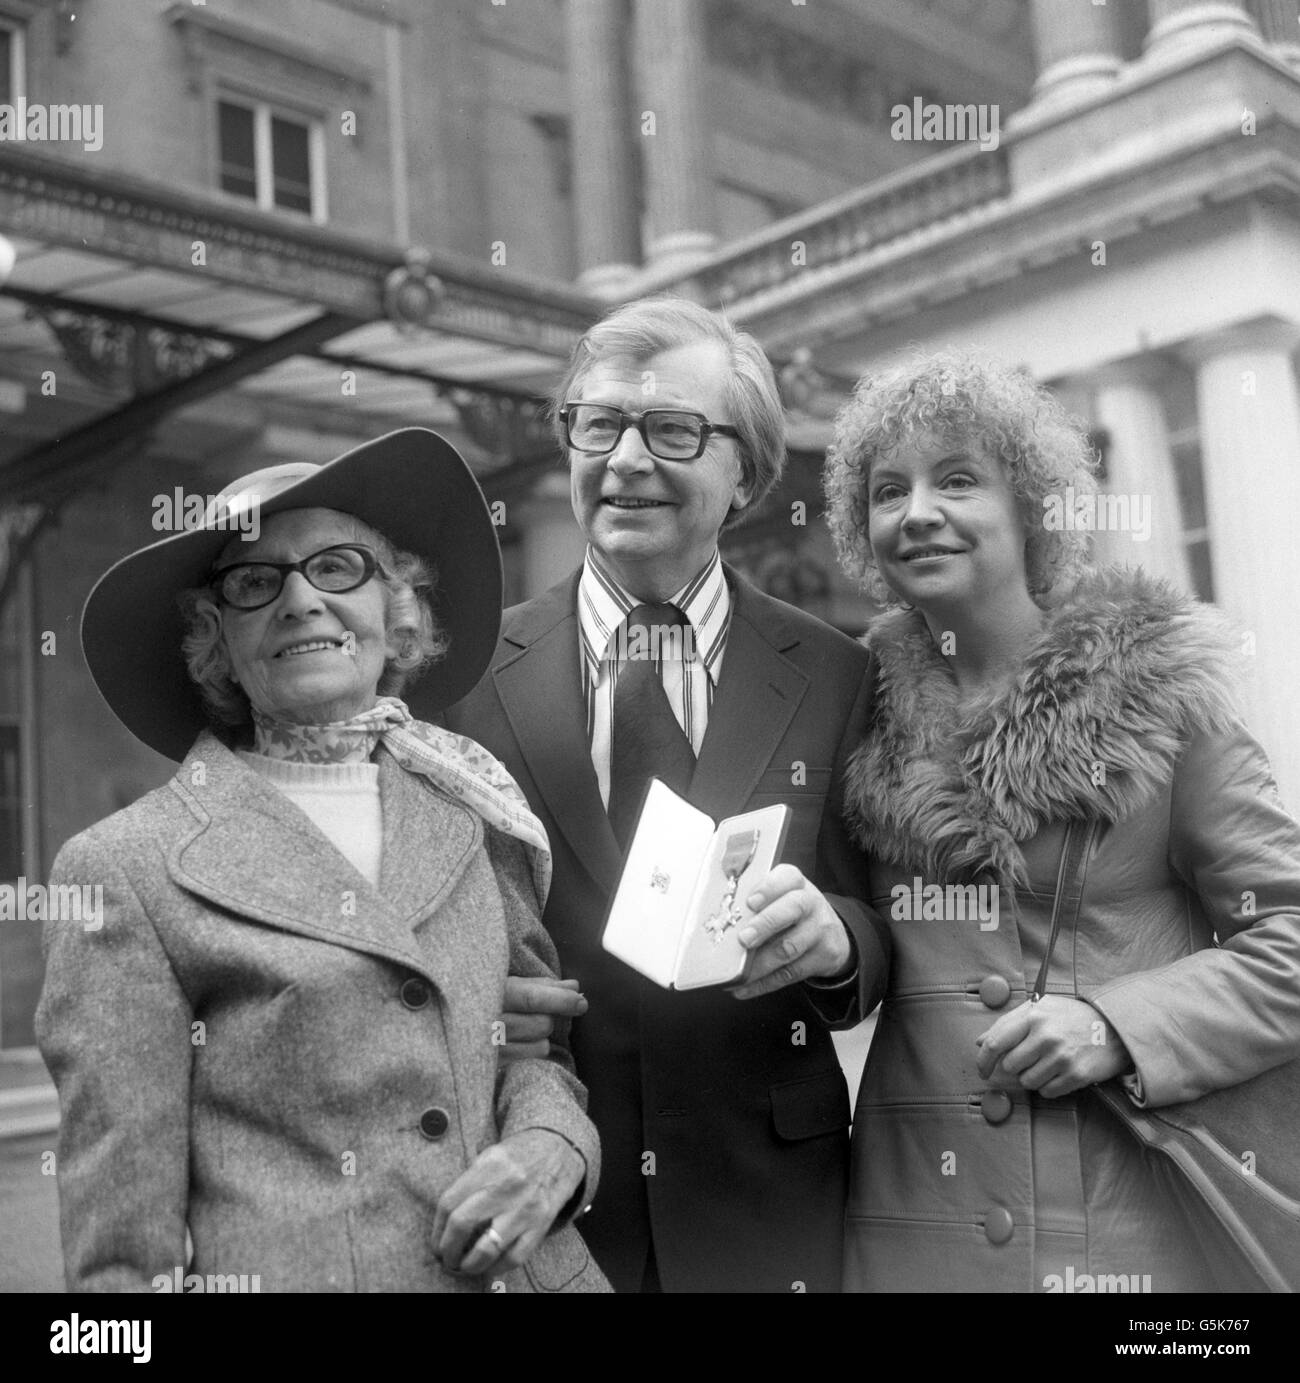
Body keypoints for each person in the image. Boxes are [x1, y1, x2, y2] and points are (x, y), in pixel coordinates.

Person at [36, 428, 609, 1293]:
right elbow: (121, 1258)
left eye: (338, 567)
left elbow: (534, 1052)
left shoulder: (473, 807)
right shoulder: (126, 867)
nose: (302, 600)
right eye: (255, 582)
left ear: (397, 612)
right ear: (216, 639)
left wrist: (551, 1146)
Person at [820, 348, 1300, 1292]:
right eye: (887, 491)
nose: (916, 512)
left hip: (1132, 1235)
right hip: (914, 1234)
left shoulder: (1162, 698)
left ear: (1032, 507)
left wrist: (1117, 1023)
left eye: (957, 479)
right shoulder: (846, 712)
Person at [444, 296, 880, 1293]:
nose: (626, 458)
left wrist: (837, 941)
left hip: (770, 1211)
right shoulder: (464, 678)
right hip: (547, 1209)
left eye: (673, 429)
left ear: (747, 474)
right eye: (599, 425)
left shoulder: (832, 673)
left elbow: (890, 921)